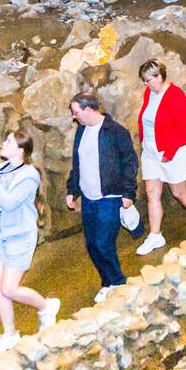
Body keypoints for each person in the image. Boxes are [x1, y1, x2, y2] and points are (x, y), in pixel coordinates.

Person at [0, 131, 60, 357]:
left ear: (21, 150)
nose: (3, 144)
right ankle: (10, 334)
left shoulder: (29, 175)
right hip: (0, 235)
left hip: (20, 237)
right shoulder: (2, 169)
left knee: (9, 288)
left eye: (9, 141)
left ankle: (45, 307)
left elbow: (10, 203)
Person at [65, 91, 139, 303]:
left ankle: (118, 281)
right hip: (89, 198)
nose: (74, 116)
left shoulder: (116, 132)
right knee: (91, 244)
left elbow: (129, 163)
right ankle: (107, 282)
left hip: (110, 196)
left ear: (88, 110)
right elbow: (77, 165)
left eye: (76, 112)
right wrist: (72, 190)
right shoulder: (81, 131)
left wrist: (129, 193)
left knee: (103, 243)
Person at [134, 59, 186, 256]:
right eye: (144, 80)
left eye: (149, 80)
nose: (146, 84)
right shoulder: (149, 93)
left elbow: (179, 129)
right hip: (151, 151)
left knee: (179, 192)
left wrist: (168, 153)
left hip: (172, 151)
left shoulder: (176, 96)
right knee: (152, 193)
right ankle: (155, 234)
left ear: (160, 76)